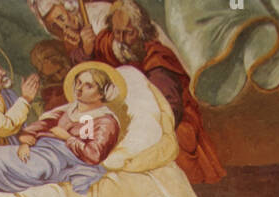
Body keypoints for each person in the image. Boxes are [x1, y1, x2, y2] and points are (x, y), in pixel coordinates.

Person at [80, 0, 223, 184]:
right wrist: (86, 49)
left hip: (163, 119)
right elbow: (86, 63)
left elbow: (170, 108)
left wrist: (138, 127)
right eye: (117, 32)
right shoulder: (112, 43)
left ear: (140, 31)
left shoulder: (156, 58)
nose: (121, 39)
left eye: (128, 33)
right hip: (123, 117)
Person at [0, 67, 120, 197]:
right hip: (41, 151)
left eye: (88, 85)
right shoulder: (69, 109)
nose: (79, 89)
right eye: (78, 83)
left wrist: (66, 138)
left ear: (101, 92)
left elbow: (94, 154)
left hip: (59, 162)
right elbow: (40, 125)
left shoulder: (104, 121)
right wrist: (25, 141)